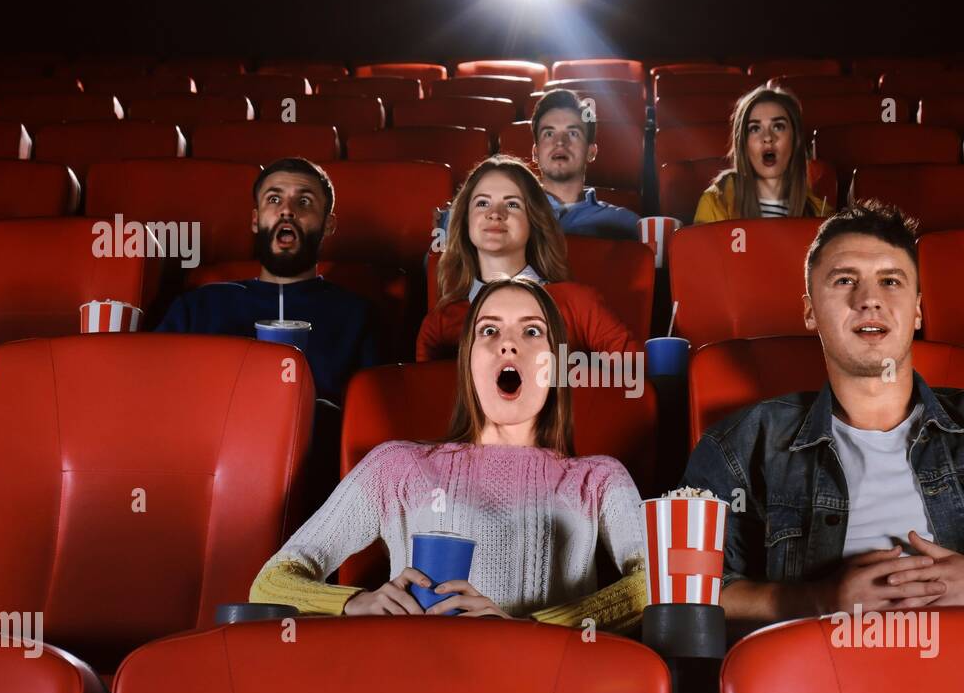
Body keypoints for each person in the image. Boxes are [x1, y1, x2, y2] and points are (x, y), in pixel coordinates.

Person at [681, 201, 964, 623]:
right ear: (809, 310)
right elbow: (688, 592)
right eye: (844, 280)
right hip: (820, 681)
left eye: (890, 281)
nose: (869, 300)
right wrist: (817, 602)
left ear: (917, 310)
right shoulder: (742, 444)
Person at [251, 277, 649, 625]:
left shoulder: (599, 478)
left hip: (546, 686)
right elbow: (272, 583)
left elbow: (655, 583)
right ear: (468, 361)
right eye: (489, 331)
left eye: (531, 332)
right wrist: (354, 602)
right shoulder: (397, 466)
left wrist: (531, 629)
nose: (508, 344)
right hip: (420, 679)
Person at [155, 157, 378, 404]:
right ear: (255, 219)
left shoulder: (358, 316)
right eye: (274, 199)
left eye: (304, 202)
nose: (287, 210)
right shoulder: (197, 306)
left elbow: (373, 420)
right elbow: (154, 393)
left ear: (328, 224)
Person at [417, 155, 640, 362]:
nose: (495, 213)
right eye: (482, 203)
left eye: (512, 204)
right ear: (465, 222)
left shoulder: (579, 303)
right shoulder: (440, 324)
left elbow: (635, 377)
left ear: (533, 221)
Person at [433, 88, 640, 239]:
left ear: (591, 152)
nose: (560, 142)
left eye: (573, 133)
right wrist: (450, 225)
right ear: (535, 152)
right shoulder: (497, 214)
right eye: (549, 133)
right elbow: (436, 274)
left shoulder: (626, 224)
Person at [693, 86, 831, 223]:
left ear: (795, 139)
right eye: (755, 128)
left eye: (778, 126)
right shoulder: (716, 202)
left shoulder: (820, 213)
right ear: (743, 143)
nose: (767, 137)